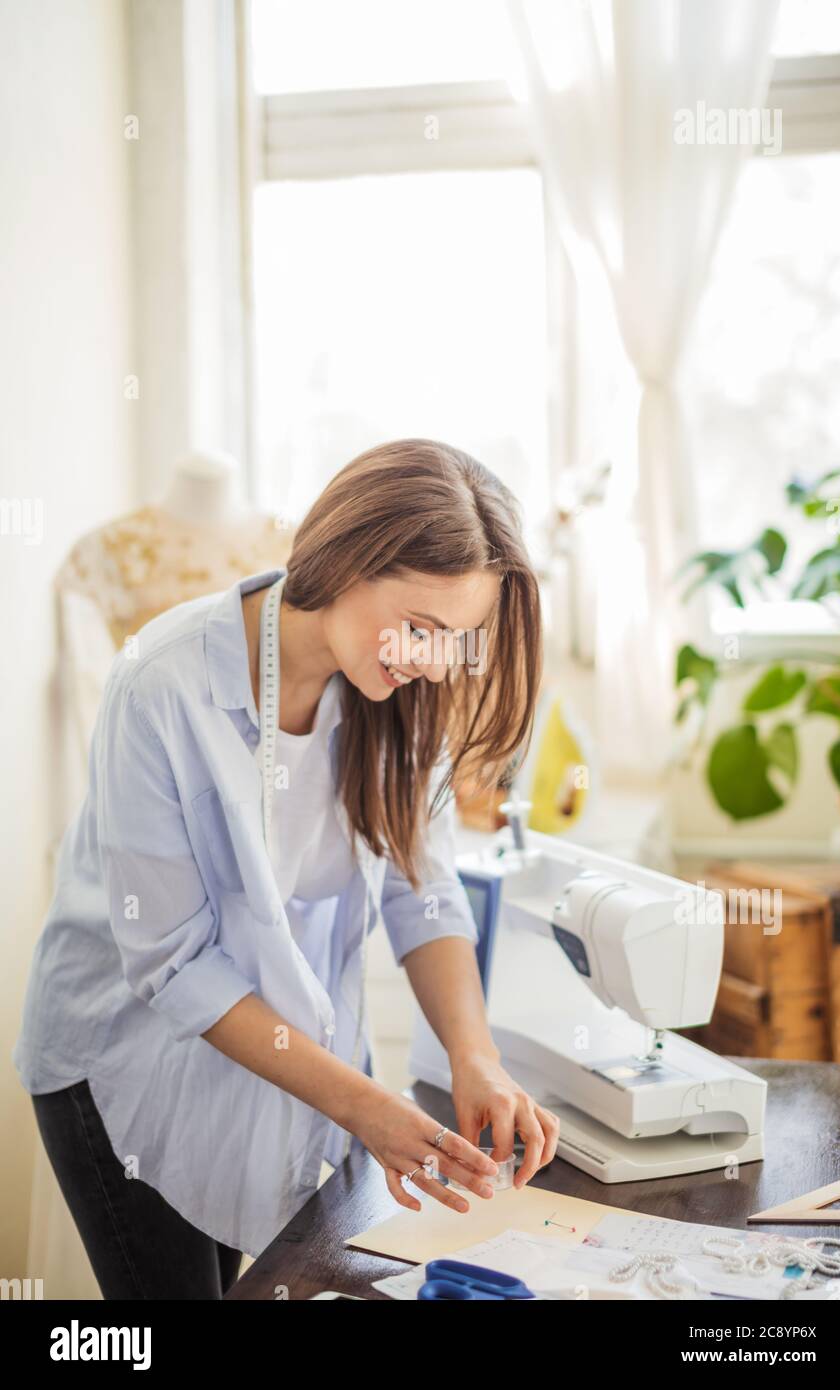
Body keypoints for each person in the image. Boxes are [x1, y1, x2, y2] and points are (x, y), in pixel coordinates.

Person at [13, 438, 559, 1299]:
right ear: (349, 558)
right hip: (128, 1055)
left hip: (274, 1054)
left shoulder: (402, 698)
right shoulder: (162, 684)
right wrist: (363, 1105)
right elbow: (176, 964)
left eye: (452, 638)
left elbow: (425, 888)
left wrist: (476, 1056)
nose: (427, 659)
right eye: (418, 627)